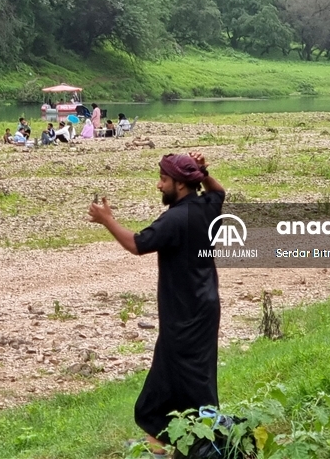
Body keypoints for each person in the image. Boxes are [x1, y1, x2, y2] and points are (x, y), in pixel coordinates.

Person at [88, 153, 225, 453]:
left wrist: (107, 220)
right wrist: (204, 172)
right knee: (182, 372)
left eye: (163, 180)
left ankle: (205, 442)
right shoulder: (206, 206)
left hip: (184, 311)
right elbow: (218, 191)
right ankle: (163, 439)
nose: (158, 185)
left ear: (179, 184)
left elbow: (137, 244)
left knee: (184, 379)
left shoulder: (175, 219)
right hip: (205, 305)